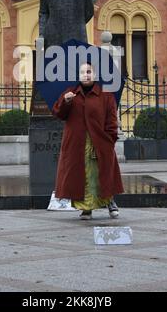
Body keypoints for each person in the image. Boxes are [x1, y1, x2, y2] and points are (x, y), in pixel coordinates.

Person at [52, 62, 124, 220]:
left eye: (89, 71)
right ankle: (86, 208)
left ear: (95, 75)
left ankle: (110, 201)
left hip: (99, 143)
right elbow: (59, 114)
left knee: (102, 173)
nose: (86, 74)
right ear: (78, 75)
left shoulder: (106, 96)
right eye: (83, 72)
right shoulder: (70, 93)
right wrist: (65, 101)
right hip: (77, 144)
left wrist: (109, 140)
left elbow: (112, 121)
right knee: (82, 175)